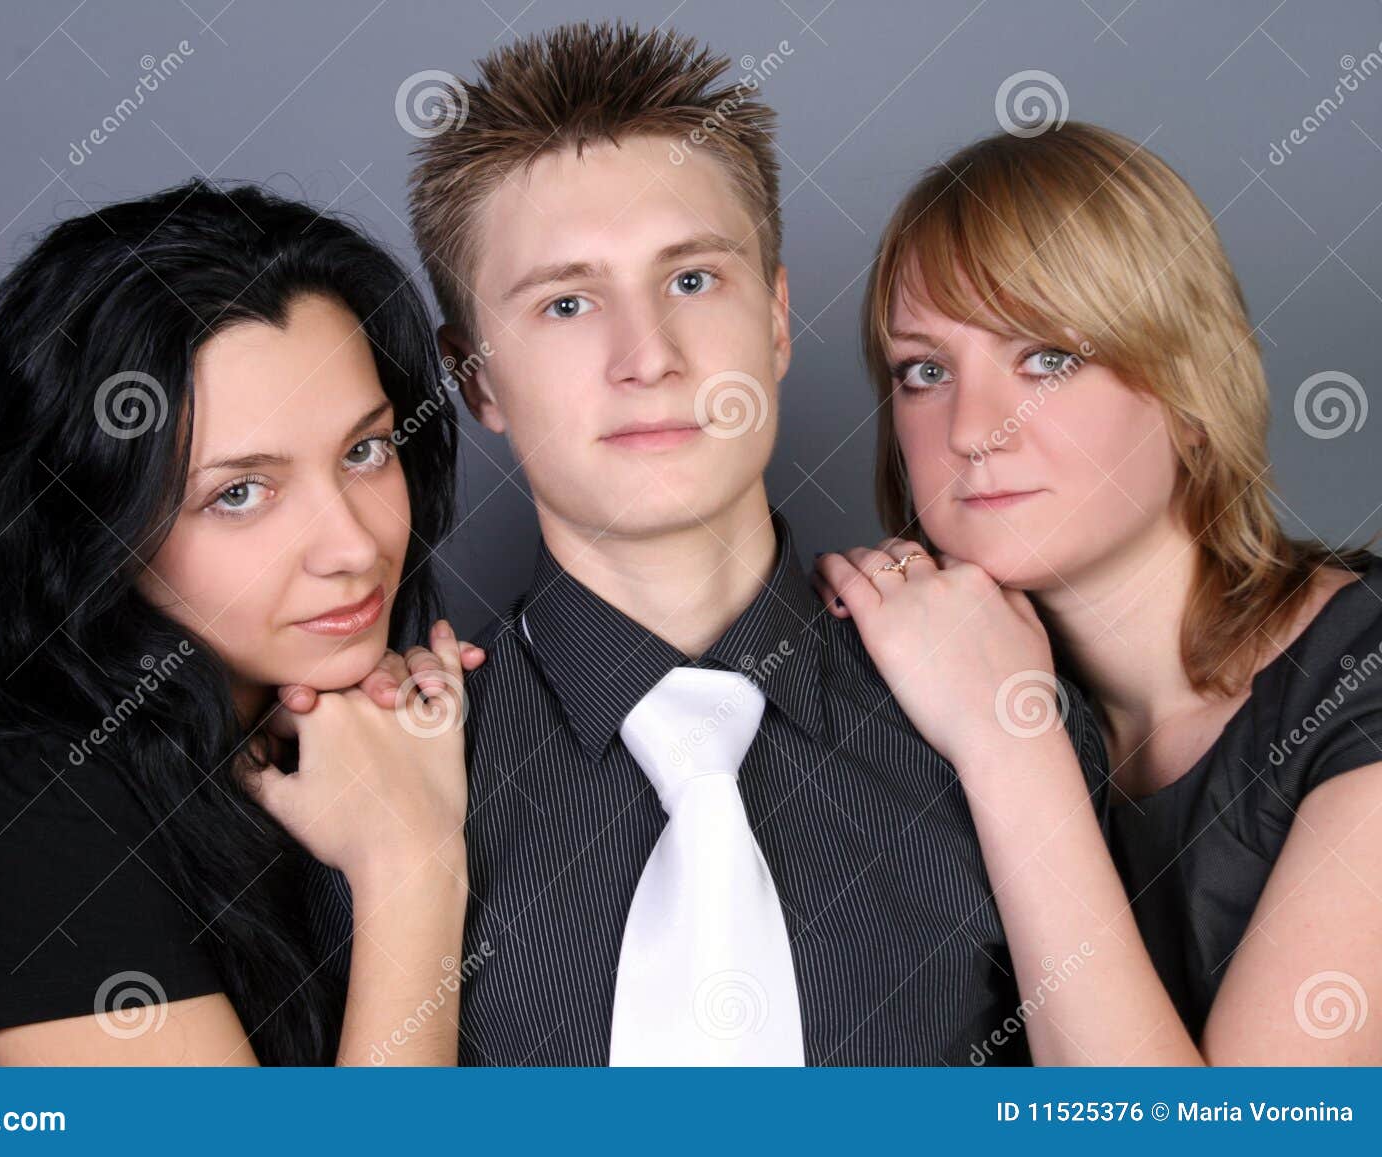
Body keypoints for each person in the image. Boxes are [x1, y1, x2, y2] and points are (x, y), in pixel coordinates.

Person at [284, 22, 1111, 1066]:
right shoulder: (373, 785)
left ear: (773, 320)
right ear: (476, 377)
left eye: (690, 281)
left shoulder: (1001, 710)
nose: (649, 358)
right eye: (567, 301)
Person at [0, 180, 481, 1066]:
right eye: (238, 493)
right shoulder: (18, 823)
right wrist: (413, 868)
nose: (351, 545)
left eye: (365, 450)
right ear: (96, 531)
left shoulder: (282, 750)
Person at [814, 121, 1382, 1063]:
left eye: (1047, 358)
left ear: (1192, 396)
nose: (973, 430)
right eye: (925, 371)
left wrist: (1009, 739)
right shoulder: (896, 694)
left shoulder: (1360, 685)